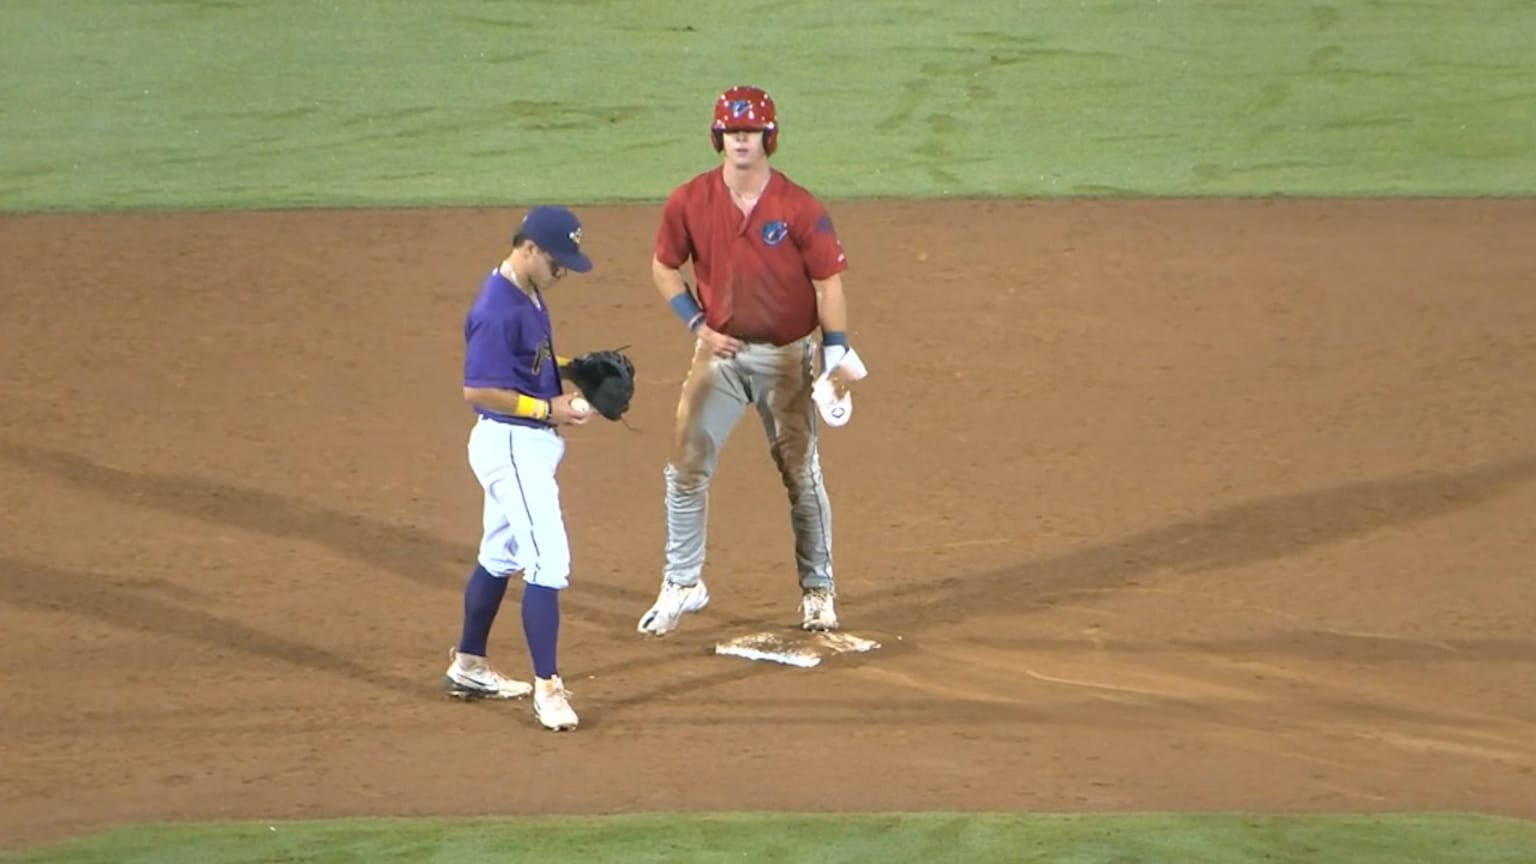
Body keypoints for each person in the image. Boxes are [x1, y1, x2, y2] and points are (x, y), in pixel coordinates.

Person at [637, 85, 855, 637]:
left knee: (799, 473)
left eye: (751, 131)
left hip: (787, 359)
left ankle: (818, 589)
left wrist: (835, 354)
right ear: (718, 136)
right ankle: (683, 581)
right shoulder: (689, 200)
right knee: (685, 465)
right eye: (732, 131)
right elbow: (665, 268)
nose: (740, 139)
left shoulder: (799, 207)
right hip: (722, 357)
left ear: (768, 137)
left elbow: (828, 284)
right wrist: (696, 323)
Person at [441, 205, 596, 732]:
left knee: (500, 552)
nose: (564, 273)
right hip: (510, 446)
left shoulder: (526, 291)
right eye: (559, 262)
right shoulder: (497, 307)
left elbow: (524, 365)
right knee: (549, 561)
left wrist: (571, 377)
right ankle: (548, 690)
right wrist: (545, 409)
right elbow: (478, 389)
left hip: (524, 443)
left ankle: (469, 663)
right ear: (529, 248)